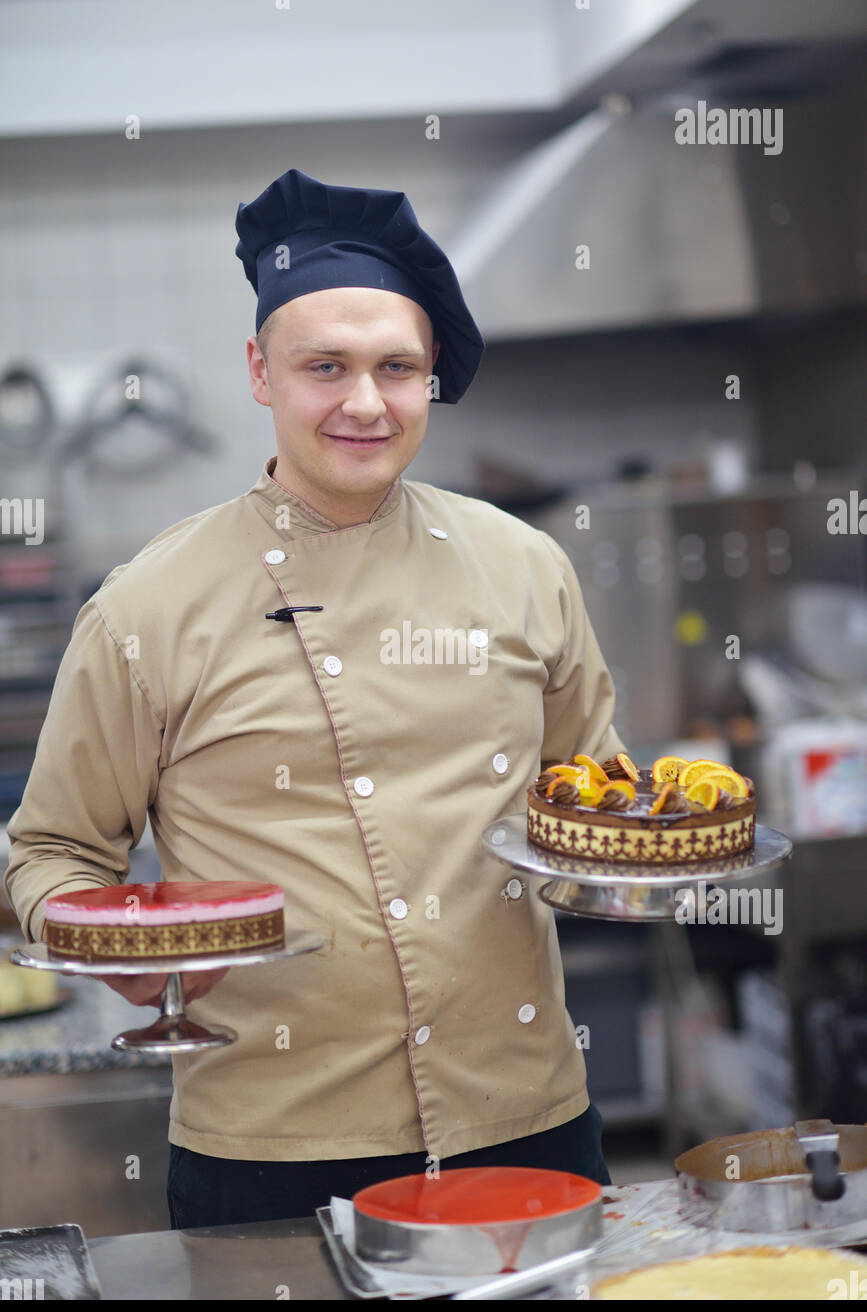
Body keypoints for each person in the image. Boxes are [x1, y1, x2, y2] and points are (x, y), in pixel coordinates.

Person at [4, 169, 623, 1228]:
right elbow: (51, 851)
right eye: (324, 367)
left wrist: (631, 865)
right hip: (273, 1144)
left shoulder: (525, 568)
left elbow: (590, 802)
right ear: (259, 370)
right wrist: (107, 947)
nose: (365, 403)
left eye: (398, 368)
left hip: (526, 1119)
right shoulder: (150, 605)